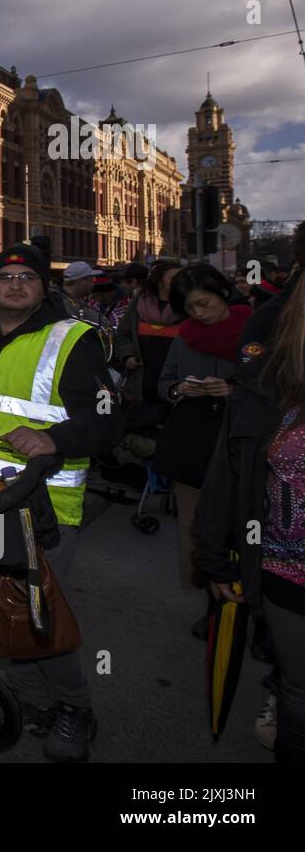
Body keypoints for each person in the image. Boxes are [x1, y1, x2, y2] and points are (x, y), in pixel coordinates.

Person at [0, 243, 117, 762]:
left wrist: (54, 439)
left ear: (43, 286)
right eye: (5, 277)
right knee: (6, 615)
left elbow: (110, 423)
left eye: (27, 277)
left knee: (39, 618)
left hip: (40, 508)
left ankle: (74, 709)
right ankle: (35, 701)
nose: (15, 284)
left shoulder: (73, 340)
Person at [197, 223, 304, 760]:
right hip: (288, 575)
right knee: (298, 695)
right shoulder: (270, 343)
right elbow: (234, 462)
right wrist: (217, 560)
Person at [153, 265, 250, 626]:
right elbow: (164, 383)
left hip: (240, 446)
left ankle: (249, 603)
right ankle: (212, 607)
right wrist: (180, 390)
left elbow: (277, 388)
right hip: (193, 447)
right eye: (190, 308)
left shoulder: (255, 331)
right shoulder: (185, 337)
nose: (198, 314)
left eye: (204, 304)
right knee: (195, 528)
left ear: (223, 293)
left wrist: (234, 392)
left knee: (241, 530)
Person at [113, 260, 182, 430]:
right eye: (173, 277)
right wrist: (127, 356)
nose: (179, 281)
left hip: (173, 379)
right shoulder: (139, 303)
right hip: (142, 380)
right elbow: (123, 334)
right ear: (159, 281)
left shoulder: (186, 305)